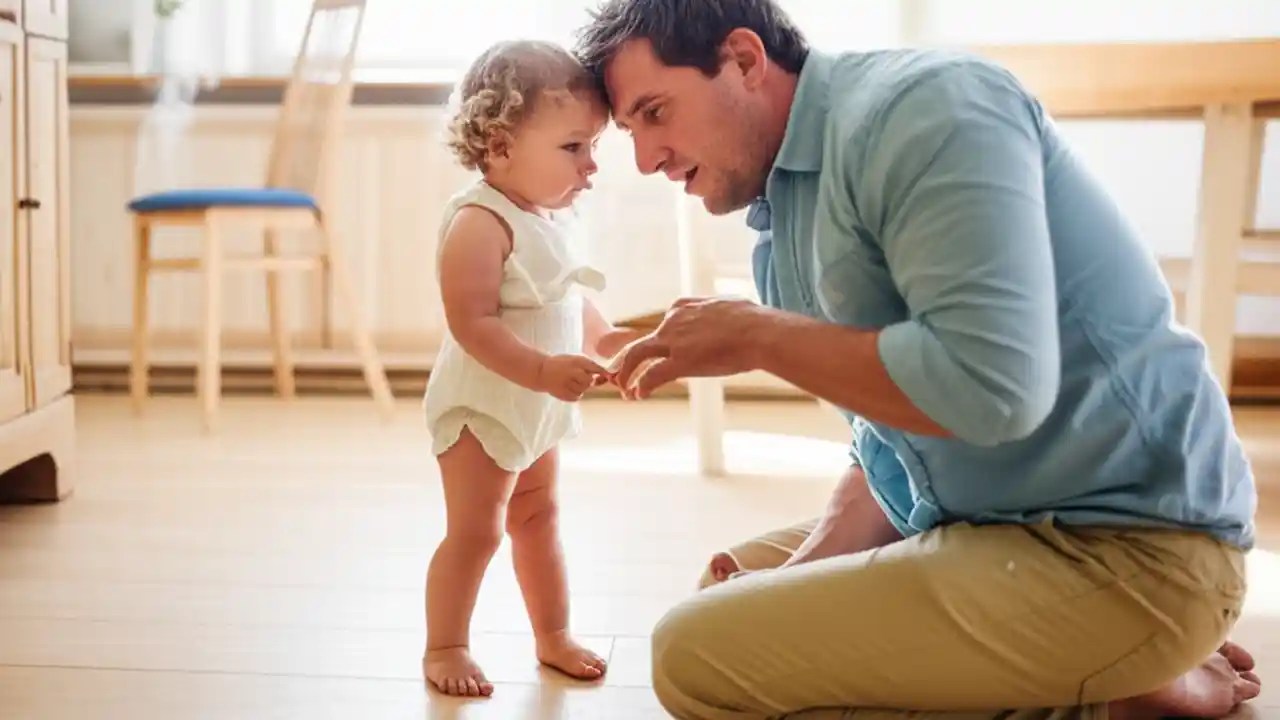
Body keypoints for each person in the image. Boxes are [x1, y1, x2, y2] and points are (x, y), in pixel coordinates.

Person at [575, 1, 1261, 718]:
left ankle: (1115, 695)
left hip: (1130, 552)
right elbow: (890, 445)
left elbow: (992, 389)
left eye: (656, 113)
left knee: (695, 656)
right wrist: (791, 578)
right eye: (630, 132)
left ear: (744, 59)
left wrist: (754, 336)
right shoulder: (784, 225)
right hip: (987, 522)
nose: (647, 160)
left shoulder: (924, 111)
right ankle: (1111, 670)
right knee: (730, 593)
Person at [421, 39, 642, 697]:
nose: (592, 165)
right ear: (498, 145)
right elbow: (474, 323)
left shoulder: (548, 214)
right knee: (478, 530)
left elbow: (566, 293)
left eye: (593, 147)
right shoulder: (478, 222)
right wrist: (545, 371)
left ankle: (552, 635)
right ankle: (446, 644)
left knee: (540, 519)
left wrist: (611, 341)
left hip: (535, 408)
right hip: (482, 409)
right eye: (573, 147)